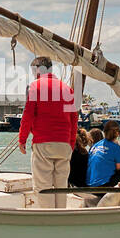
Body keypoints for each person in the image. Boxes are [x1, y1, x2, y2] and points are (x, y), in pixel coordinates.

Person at [17, 56, 77, 209]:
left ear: (38, 70)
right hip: (64, 143)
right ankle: (61, 217)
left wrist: (22, 139)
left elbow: (28, 115)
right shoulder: (67, 88)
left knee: (43, 186)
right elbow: (74, 118)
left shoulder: (35, 86)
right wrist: (71, 143)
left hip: (44, 141)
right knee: (61, 186)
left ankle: (48, 218)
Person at [87, 120, 120, 186]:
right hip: (105, 184)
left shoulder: (94, 146)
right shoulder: (117, 148)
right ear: (118, 133)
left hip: (90, 184)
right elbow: (119, 169)